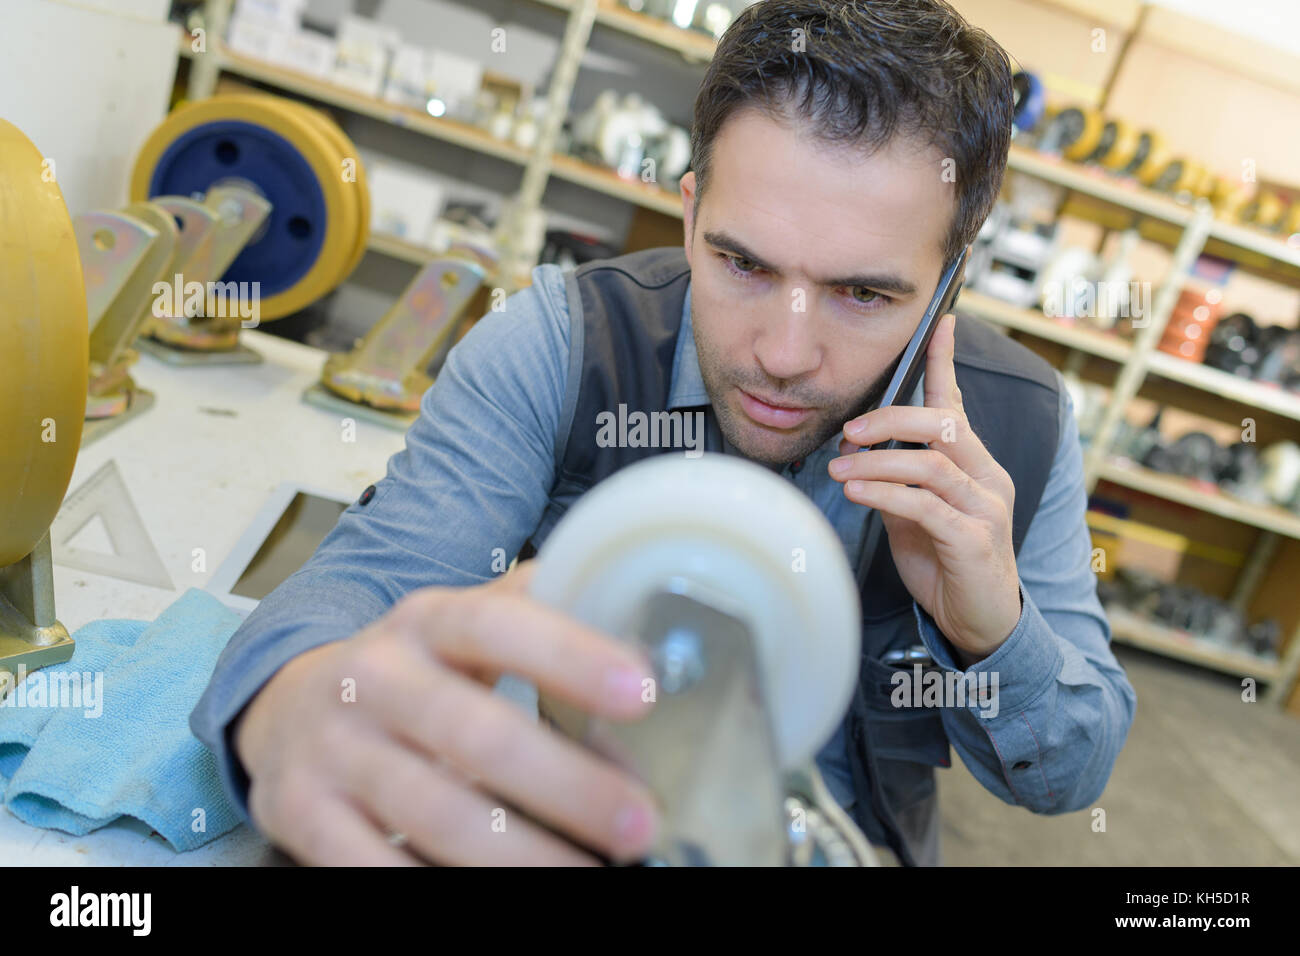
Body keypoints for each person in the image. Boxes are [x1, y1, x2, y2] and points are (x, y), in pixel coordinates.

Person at [192, 0, 1136, 866]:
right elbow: (359, 588)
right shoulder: (559, 347)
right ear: (689, 219)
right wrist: (291, 709)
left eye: (863, 293)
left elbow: (1070, 777)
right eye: (742, 263)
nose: (783, 353)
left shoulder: (1019, 427)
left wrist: (990, 631)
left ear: (946, 284)